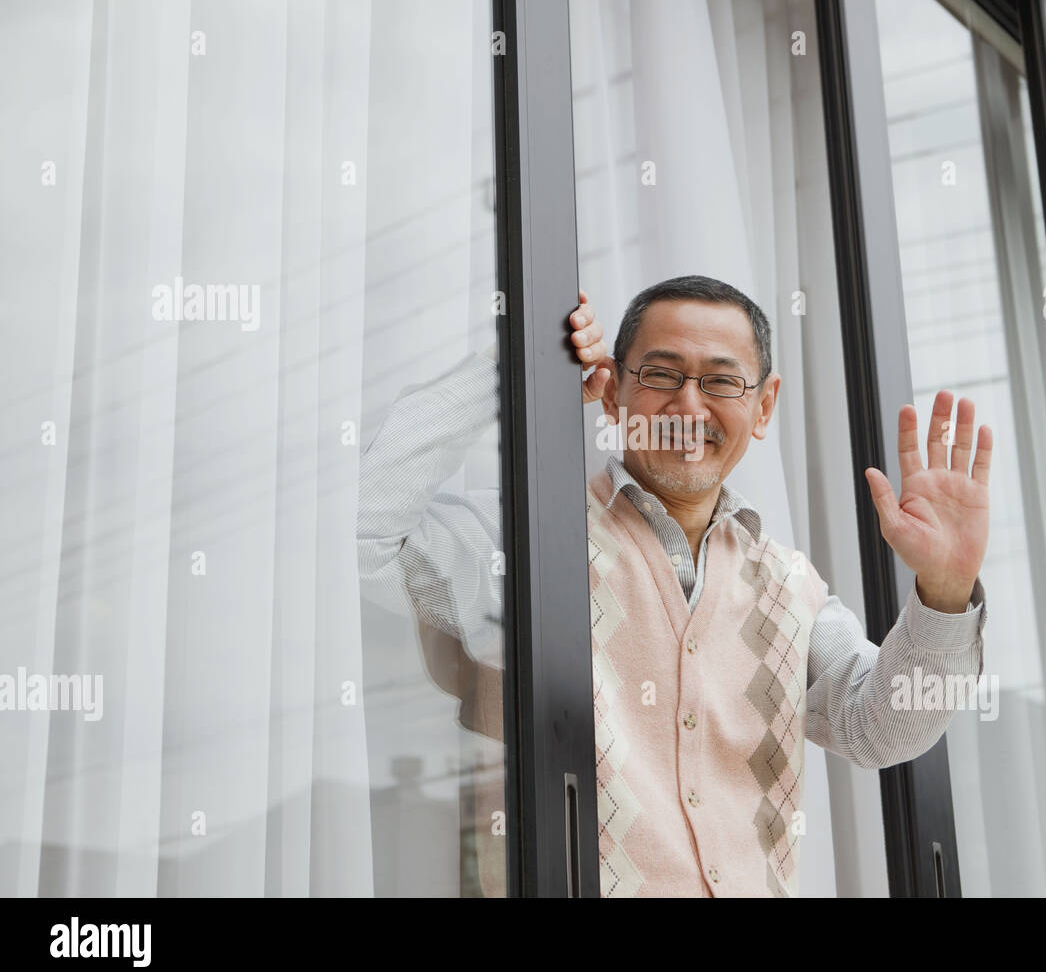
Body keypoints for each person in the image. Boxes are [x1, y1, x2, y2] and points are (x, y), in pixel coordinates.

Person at [357, 274, 991, 898]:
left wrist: (944, 591)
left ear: (763, 406)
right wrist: (506, 368)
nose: (689, 407)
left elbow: (880, 730)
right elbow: (362, 533)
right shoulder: (525, 545)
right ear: (610, 395)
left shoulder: (790, 584)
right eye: (660, 376)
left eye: (720, 381)